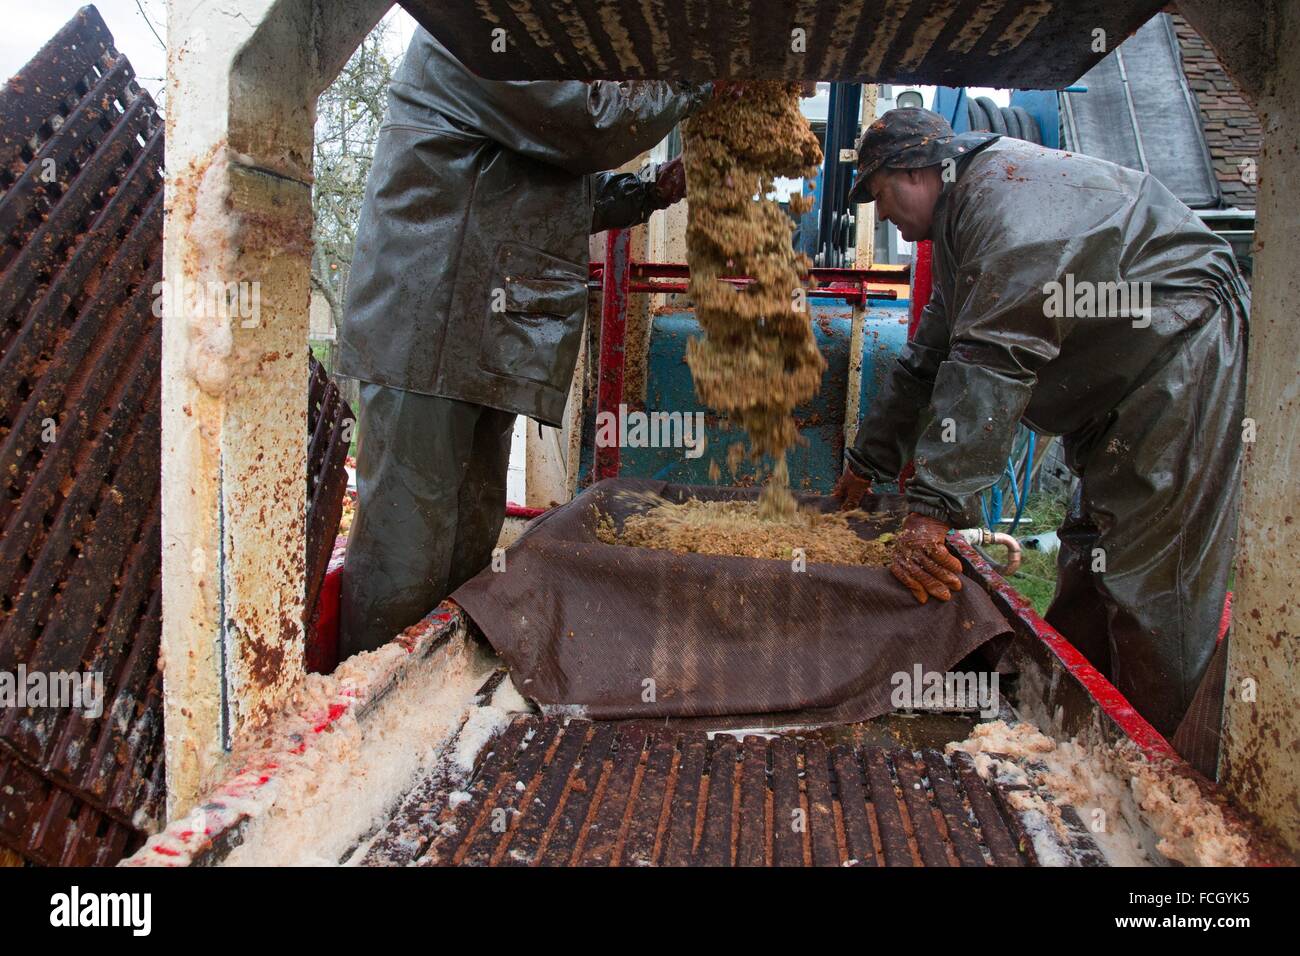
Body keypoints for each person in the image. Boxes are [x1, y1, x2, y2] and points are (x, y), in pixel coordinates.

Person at [833, 107, 1249, 745]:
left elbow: (988, 364)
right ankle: (1060, 727)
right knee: (1089, 553)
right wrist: (867, 465)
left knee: (1153, 578)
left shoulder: (1004, 207)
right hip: (1115, 378)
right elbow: (926, 360)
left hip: (1178, 349)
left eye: (878, 194)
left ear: (916, 168)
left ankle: (1162, 773)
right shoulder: (959, 228)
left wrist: (932, 513)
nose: (879, 214)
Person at [336, 27, 710, 657]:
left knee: (470, 536)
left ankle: (439, 696)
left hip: (479, 340)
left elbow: (555, 194)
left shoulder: (526, 56)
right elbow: (587, 127)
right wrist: (700, 74)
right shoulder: (468, 33)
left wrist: (649, 190)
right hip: (426, 327)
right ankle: (372, 712)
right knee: (408, 550)